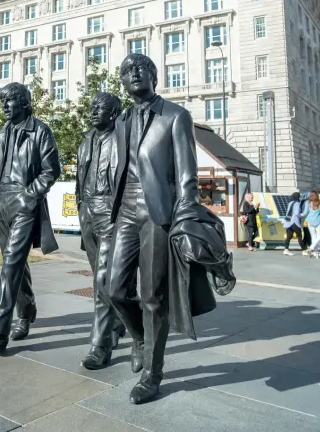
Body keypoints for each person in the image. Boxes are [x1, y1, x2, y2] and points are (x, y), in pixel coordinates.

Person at [104, 53, 234, 405]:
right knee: (113, 288)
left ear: (154, 76)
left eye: (140, 68)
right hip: (126, 212)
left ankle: (152, 373)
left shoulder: (175, 116)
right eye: (126, 71)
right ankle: (139, 338)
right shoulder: (121, 120)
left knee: (152, 295)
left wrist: (184, 215)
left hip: (159, 213)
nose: (133, 74)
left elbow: (188, 174)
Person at [0, 83, 61, 355]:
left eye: (11, 100)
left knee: (11, 264)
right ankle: (27, 310)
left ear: (25, 103)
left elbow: (51, 170)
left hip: (25, 202)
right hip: (2, 203)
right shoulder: (2, 132)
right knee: (14, 263)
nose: (5, 105)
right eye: (3, 100)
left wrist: (29, 196)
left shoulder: (40, 131)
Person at [75, 91, 129, 370]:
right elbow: (79, 181)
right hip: (88, 212)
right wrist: (81, 209)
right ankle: (120, 322)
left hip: (111, 213)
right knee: (103, 276)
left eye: (100, 108)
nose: (93, 111)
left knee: (102, 281)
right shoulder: (85, 141)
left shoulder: (124, 140)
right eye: (92, 106)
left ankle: (100, 344)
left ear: (114, 112)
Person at [303, 190, 320, 258]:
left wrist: (300, 215)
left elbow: (305, 212)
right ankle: (311, 248)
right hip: (318, 221)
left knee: (313, 237)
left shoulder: (308, 203)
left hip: (310, 222)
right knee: (319, 237)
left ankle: (316, 253)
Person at [283, 191, 306, 256]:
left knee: (288, 237)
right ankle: (304, 250)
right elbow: (296, 213)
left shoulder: (290, 203)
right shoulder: (297, 203)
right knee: (299, 236)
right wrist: (301, 215)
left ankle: (286, 250)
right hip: (294, 222)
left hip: (288, 222)